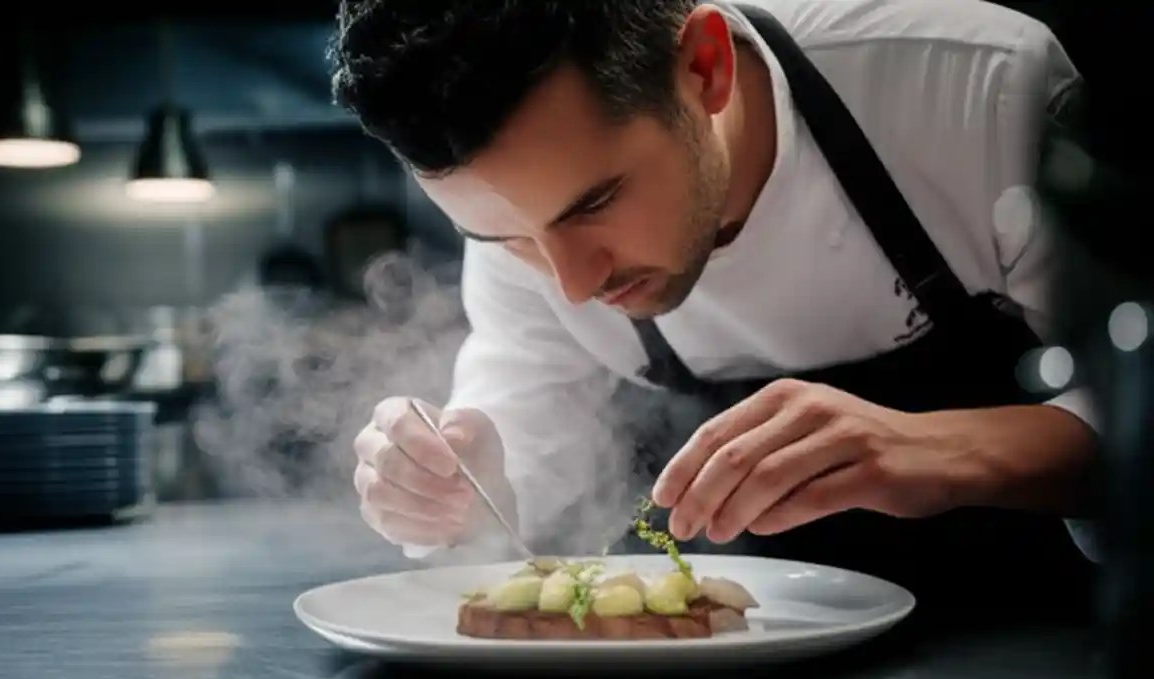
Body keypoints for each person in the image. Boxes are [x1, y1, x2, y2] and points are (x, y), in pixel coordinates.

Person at [333, 0, 1100, 611]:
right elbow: (519, 484)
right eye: (502, 235)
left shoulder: (980, 89)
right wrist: (449, 492)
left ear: (705, 67)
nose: (570, 283)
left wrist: (950, 450)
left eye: (594, 202)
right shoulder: (521, 231)